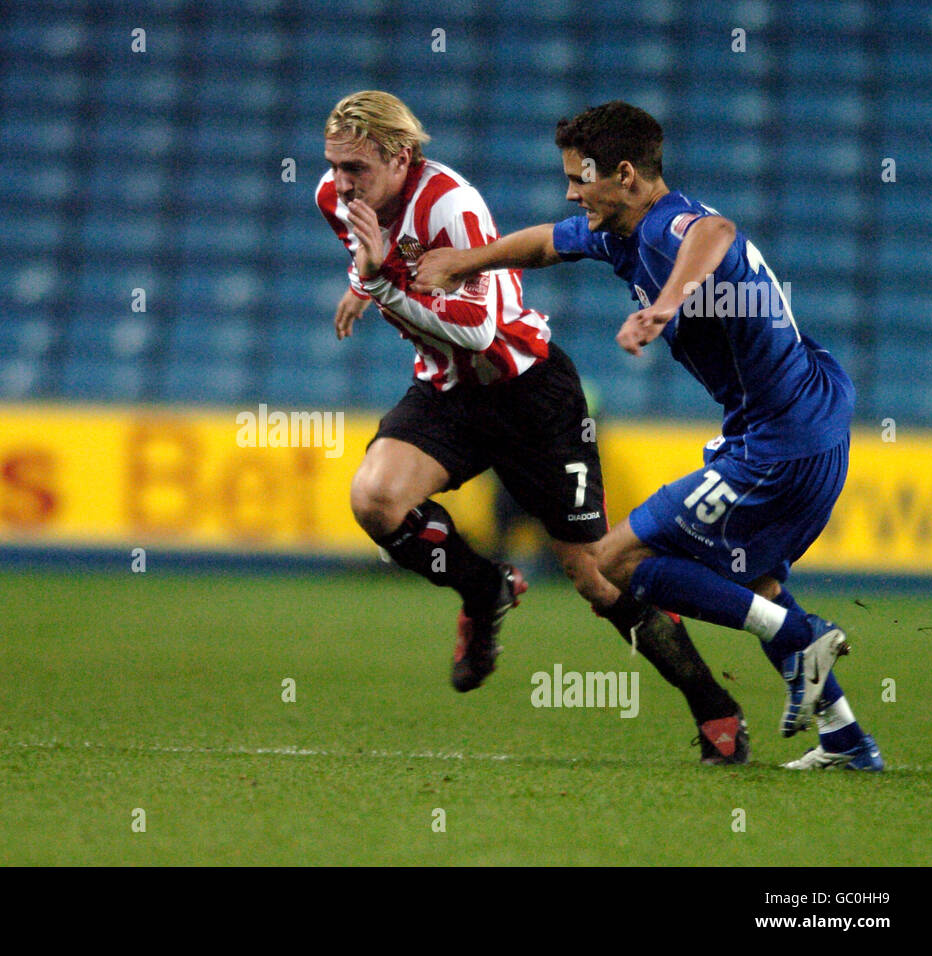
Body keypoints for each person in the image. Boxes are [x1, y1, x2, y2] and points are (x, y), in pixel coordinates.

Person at [414, 100, 882, 770]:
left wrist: (663, 308)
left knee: (617, 560)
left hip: (778, 445)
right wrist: (468, 262)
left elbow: (715, 231)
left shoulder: (666, 227)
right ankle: (846, 740)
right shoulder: (618, 231)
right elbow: (547, 242)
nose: (572, 192)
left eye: (581, 178)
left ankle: (804, 635)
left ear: (626, 174)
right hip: (807, 418)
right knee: (760, 580)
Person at [317, 90, 748, 764]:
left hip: (528, 391)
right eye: (335, 167)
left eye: (357, 170)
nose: (342, 184)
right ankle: (483, 586)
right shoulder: (335, 197)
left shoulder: (450, 207)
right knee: (375, 499)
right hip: (448, 392)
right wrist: (361, 278)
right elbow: (374, 256)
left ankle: (711, 703)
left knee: (597, 578)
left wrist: (377, 286)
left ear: (401, 156)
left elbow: (477, 326)